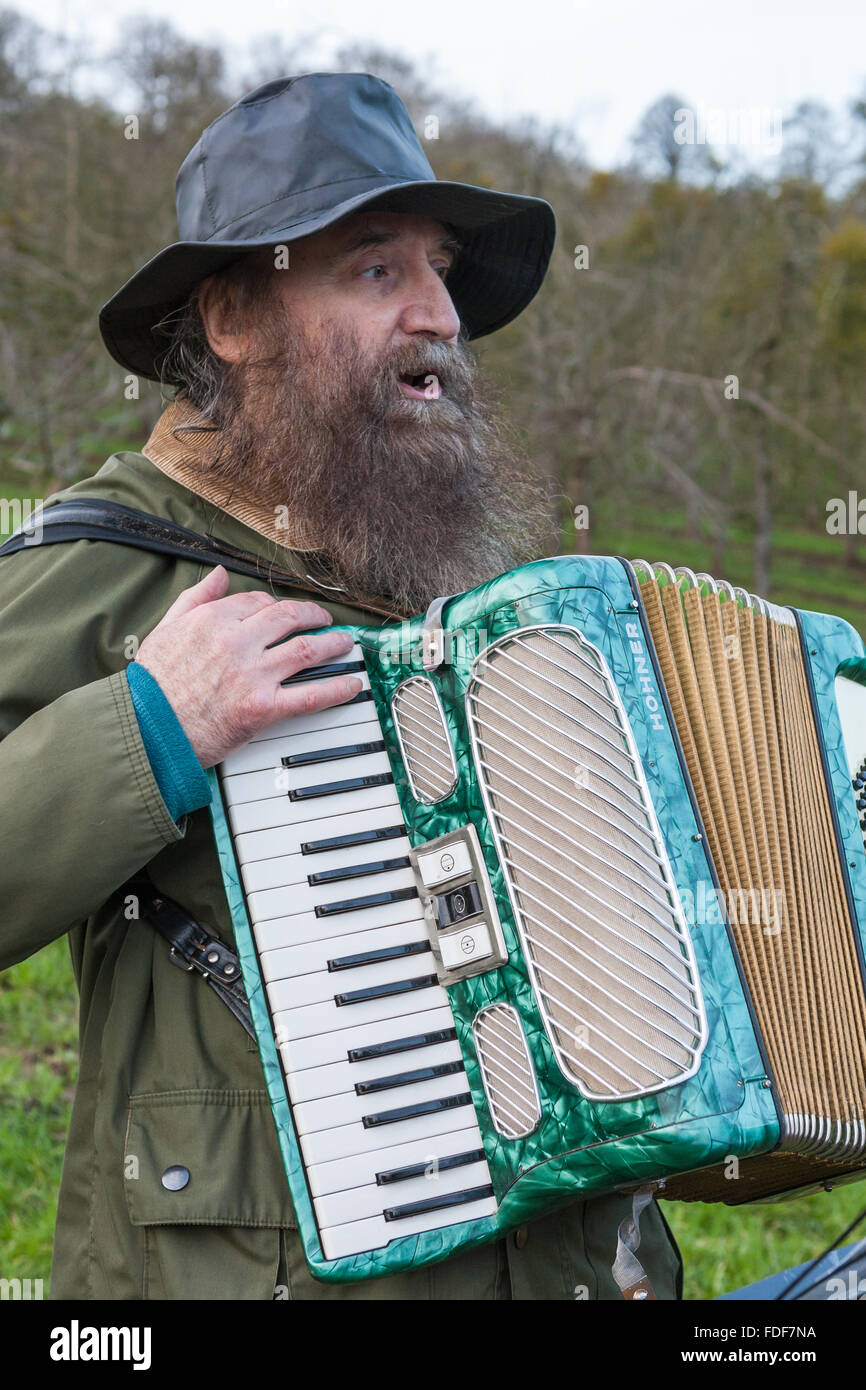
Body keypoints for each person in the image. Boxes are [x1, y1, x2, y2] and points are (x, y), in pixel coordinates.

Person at [0, 71, 683, 1300]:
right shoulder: (103, 567)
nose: (439, 315)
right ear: (233, 317)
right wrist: (149, 729)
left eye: (439, 271)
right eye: (376, 271)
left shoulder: (454, 599)